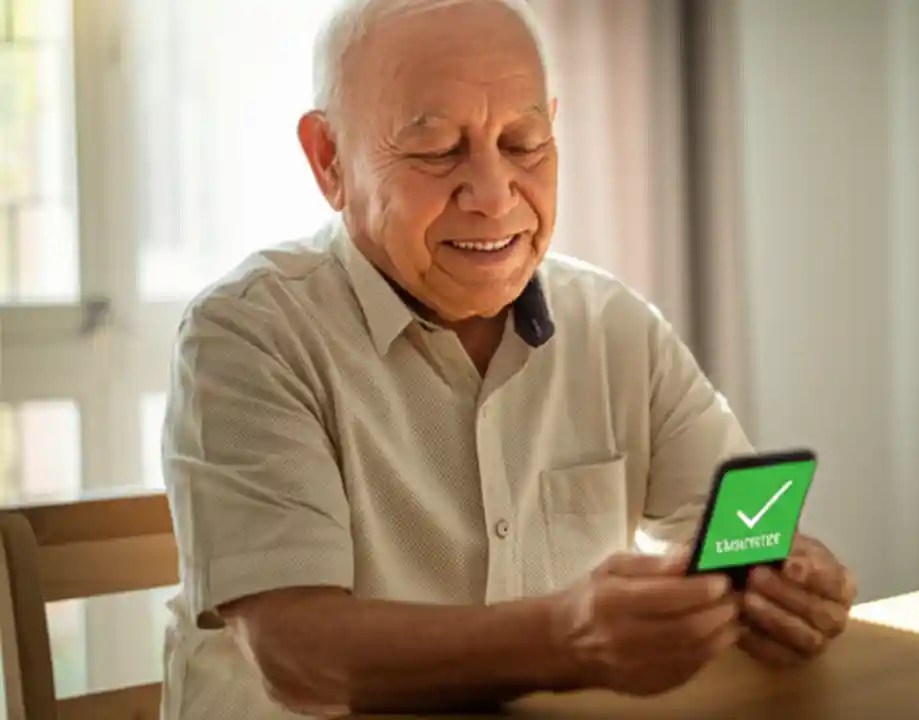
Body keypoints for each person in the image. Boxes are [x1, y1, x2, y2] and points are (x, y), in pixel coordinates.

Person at [161, 0, 856, 716]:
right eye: (435, 151)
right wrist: (566, 637)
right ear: (329, 160)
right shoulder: (248, 334)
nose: (495, 197)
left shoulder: (614, 325)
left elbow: (733, 531)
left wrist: (790, 582)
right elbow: (299, 656)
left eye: (524, 142)